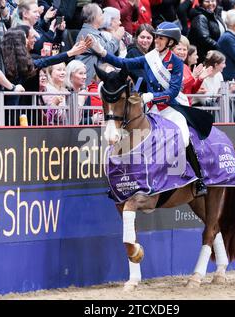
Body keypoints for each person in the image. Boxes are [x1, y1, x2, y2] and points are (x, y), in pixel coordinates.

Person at [90, 21, 211, 197]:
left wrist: (152, 96)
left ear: (170, 42)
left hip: (173, 107)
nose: (157, 41)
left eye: (161, 38)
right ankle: (122, 181)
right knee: (132, 135)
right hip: (153, 108)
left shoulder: (176, 63)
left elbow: (172, 92)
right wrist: (101, 51)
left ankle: (199, 179)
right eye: (157, 37)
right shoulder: (149, 58)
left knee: (184, 137)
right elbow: (122, 62)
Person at [75, 3, 124, 85]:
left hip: (97, 80)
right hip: (89, 83)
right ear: (94, 17)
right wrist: (116, 37)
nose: (104, 17)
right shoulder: (89, 34)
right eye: (101, 14)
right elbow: (107, 52)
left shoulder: (94, 32)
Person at [188, 0, 226, 65]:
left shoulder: (216, 14)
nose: (210, 3)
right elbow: (204, 38)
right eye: (207, 1)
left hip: (216, 54)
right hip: (205, 57)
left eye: (212, 1)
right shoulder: (200, 17)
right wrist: (220, 47)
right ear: (201, 3)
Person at [125, 23, 154, 92]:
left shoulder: (152, 53)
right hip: (137, 95)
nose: (145, 41)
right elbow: (142, 78)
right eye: (142, 37)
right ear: (137, 37)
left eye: (148, 38)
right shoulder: (132, 53)